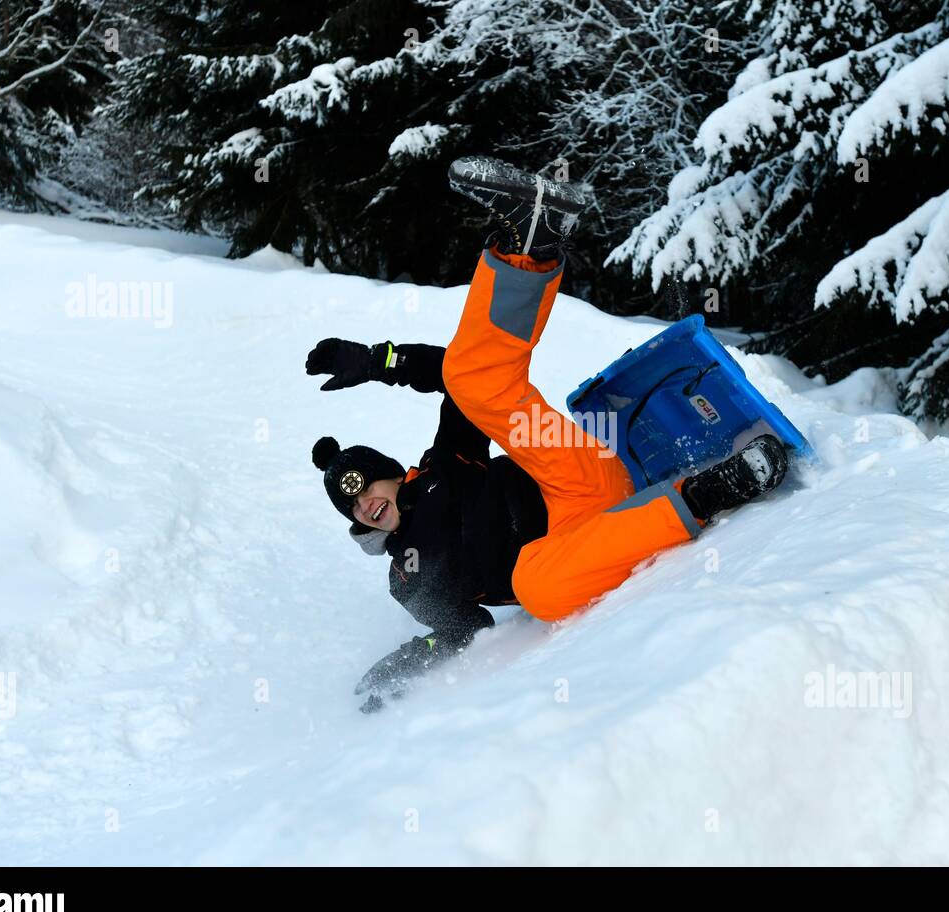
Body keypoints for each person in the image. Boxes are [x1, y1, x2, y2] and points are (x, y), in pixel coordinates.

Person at [306, 157, 788, 707]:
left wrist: (379, 360)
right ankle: (711, 492)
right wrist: (405, 665)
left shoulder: (445, 466)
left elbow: (453, 375)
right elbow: (462, 631)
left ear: (394, 476)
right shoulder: (406, 583)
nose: (367, 503)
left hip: (577, 482)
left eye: (369, 487)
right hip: (570, 556)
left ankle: (527, 242)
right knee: (539, 590)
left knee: (472, 381)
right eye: (357, 506)